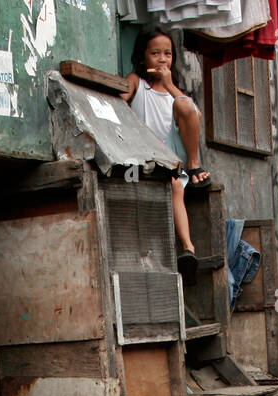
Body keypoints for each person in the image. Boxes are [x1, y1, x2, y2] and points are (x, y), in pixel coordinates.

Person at [122, 26, 209, 272]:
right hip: (145, 154)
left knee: (176, 184)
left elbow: (194, 115)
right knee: (174, 186)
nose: (162, 59)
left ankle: (188, 248)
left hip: (174, 155)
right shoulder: (136, 81)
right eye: (155, 53)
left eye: (168, 54)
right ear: (142, 57)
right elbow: (119, 99)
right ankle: (187, 248)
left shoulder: (175, 92)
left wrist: (170, 85)